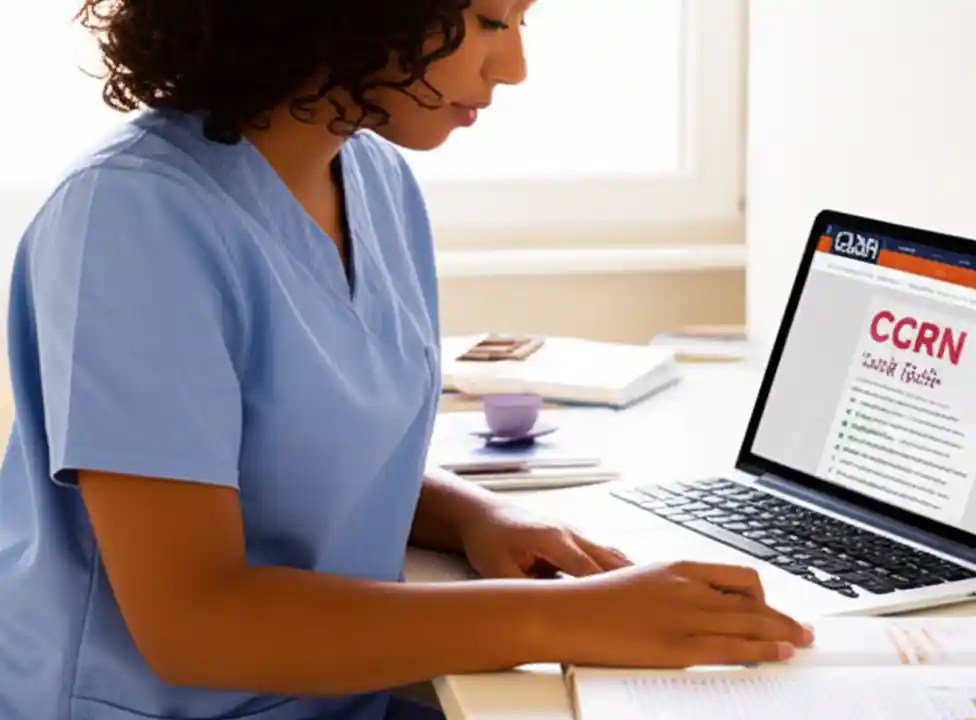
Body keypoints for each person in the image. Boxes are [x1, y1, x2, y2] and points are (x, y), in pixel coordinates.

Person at [0, 1, 812, 719]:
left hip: (334, 693)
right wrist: (576, 618)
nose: (516, 66)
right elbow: (194, 623)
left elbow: (296, 458)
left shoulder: (373, 177)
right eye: (492, 22)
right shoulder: (134, 220)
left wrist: (477, 518)